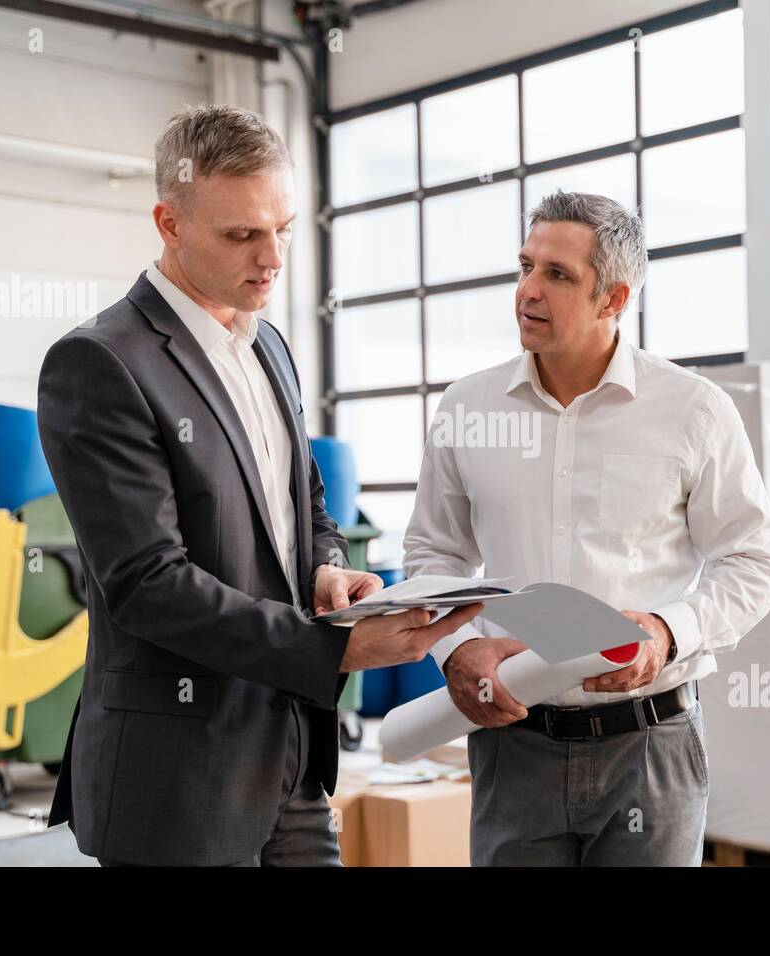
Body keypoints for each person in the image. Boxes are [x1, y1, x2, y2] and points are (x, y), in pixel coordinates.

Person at [37, 104, 479, 867]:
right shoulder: (101, 363)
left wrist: (328, 568)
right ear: (168, 223)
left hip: (291, 754)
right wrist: (331, 653)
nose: (272, 257)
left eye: (283, 227)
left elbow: (301, 503)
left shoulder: (266, 342)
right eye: (241, 234)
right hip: (180, 771)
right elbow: (147, 584)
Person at [403, 191, 770, 866]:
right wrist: (457, 651)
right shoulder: (467, 408)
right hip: (512, 743)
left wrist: (669, 632)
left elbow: (754, 559)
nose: (528, 290)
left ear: (614, 298)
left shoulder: (693, 410)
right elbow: (432, 552)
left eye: (557, 275)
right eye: (525, 266)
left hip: (649, 743)